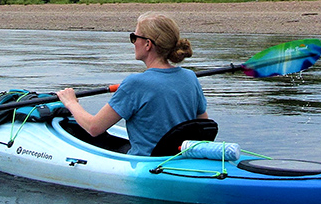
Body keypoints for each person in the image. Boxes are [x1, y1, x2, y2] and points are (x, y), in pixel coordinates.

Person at [56, 12, 209, 155]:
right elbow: (204, 125)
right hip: (178, 158)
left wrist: (71, 102)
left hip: (146, 164)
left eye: (134, 37)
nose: (133, 42)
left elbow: (94, 128)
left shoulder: (135, 83)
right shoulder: (190, 77)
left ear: (148, 44)